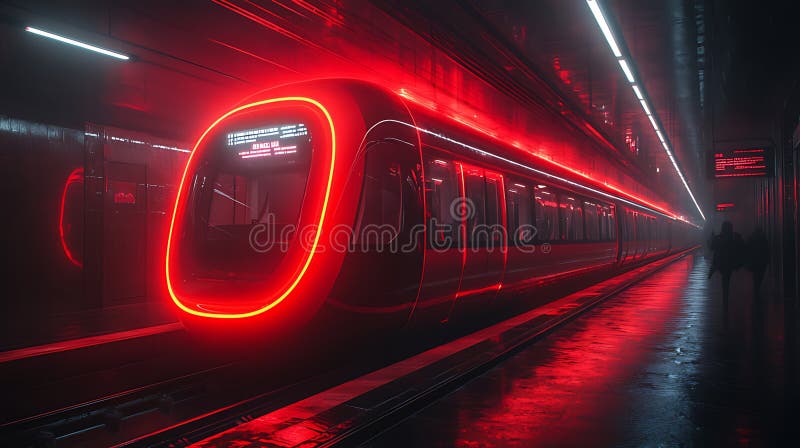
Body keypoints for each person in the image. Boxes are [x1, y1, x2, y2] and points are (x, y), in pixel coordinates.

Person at [708, 221, 745, 301]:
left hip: (721, 262)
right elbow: (741, 247)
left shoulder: (719, 238)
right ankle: (725, 295)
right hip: (730, 262)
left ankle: (713, 270)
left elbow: (712, 247)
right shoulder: (733, 237)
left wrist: (713, 237)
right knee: (726, 278)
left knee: (724, 278)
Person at [746, 227, 769, 299]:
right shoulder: (763, 238)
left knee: (756, 276)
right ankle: (757, 289)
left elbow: (747, 249)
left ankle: (756, 289)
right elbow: (767, 249)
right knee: (760, 275)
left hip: (755, 261)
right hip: (762, 261)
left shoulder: (751, 238)